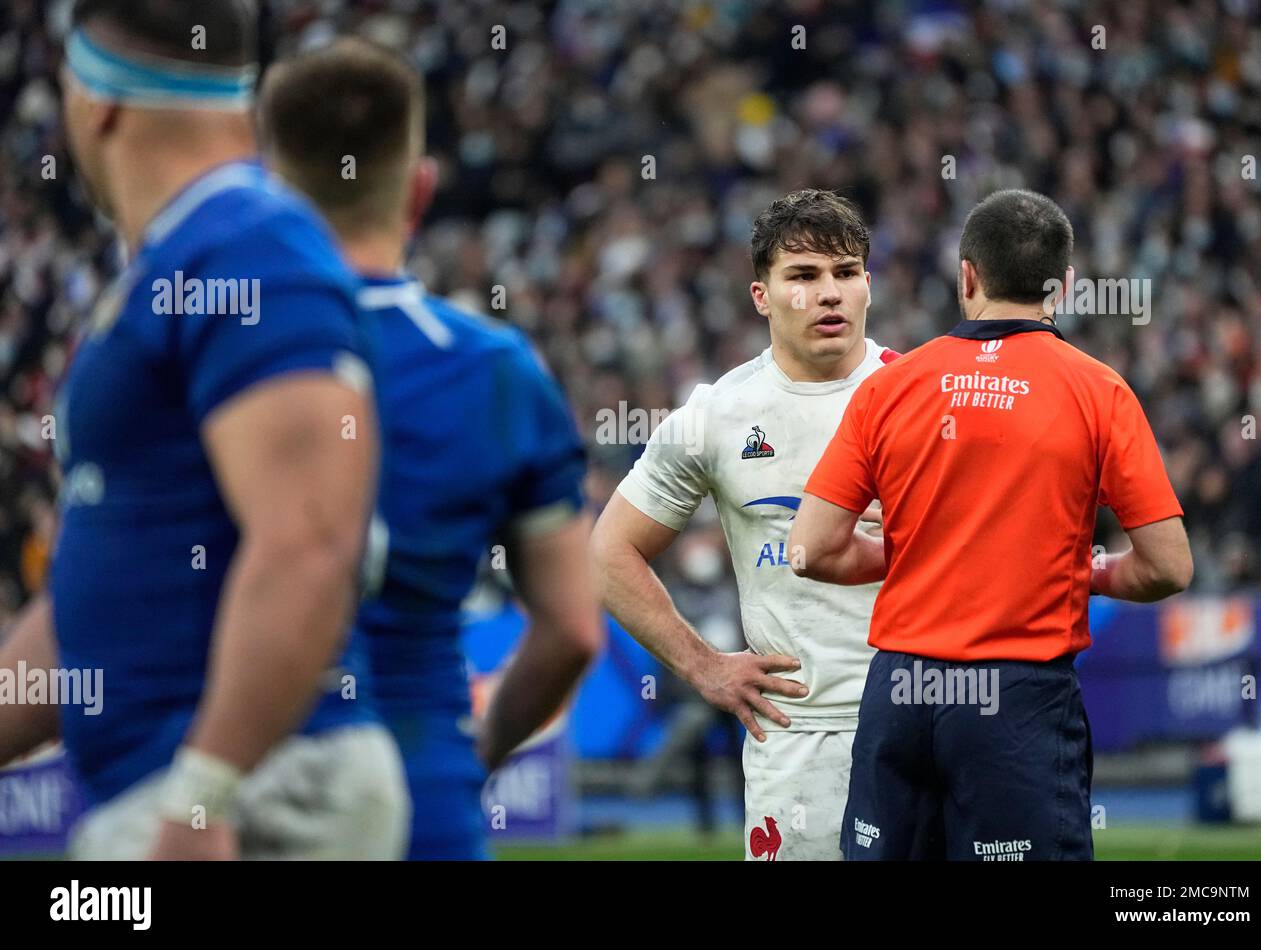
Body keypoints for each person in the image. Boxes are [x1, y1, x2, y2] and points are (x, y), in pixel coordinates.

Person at [0, 0, 409, 860]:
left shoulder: (246, 245)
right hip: (193, 785)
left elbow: (308, 539)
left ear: (93, 102)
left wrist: (203, 791)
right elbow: (93, 596)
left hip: (244, 789)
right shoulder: (200, 252)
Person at [259, 38, 605, 860]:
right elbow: (572, 632)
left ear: (271, 191)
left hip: (244, 797)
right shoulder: (495, 370)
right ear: (420, 190)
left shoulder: (199, 351)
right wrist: (470, 759)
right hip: (424, 798)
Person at [792, 188, 1193, 861]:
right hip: (1016, 700)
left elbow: (811, 549)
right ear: (1061, 287)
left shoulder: (890, 387)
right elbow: (1169, 565)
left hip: (900, 694)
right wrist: (1086, 570)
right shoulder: (1099, 391)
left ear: (967, 276)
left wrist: (930, 551)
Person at [590, 189, 899, 860]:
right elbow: (607, 553)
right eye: (804, 276)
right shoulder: (718, 414)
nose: (829, 294)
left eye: (846, 274)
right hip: (797, 736)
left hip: (925, 721)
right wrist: (703, 667)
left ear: (868, 286)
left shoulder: (923, 394)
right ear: (761, 295)